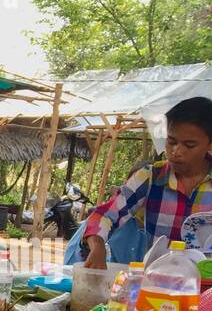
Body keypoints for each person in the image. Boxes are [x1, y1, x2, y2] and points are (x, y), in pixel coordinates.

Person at [82, 97, 212, 268]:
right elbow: (105, 215)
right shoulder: (150, 178)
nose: (176, 151)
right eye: (171, 141)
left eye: (189, 145)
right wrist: (98, 247)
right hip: (156, 283)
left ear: (209, 144)